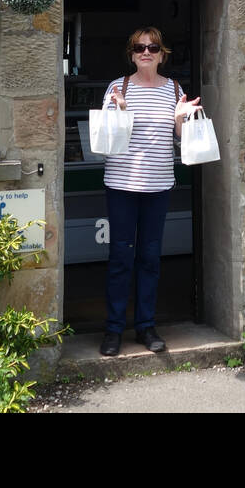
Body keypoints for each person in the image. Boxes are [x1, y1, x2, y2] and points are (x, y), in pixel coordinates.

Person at [98, 27, 201, 356]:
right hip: (122, 185)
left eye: (152, 47)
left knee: (150, 259)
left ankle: (146, 327)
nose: (146, 52)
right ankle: (113, 330)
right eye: (139, 47)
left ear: (161, 53)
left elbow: (180, 141)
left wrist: (182, 118)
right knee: (120, 258)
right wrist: (121, 111)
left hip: (158, 186)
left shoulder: (174, 90)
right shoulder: (117, 87)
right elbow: (107, 141)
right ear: (131, 54)